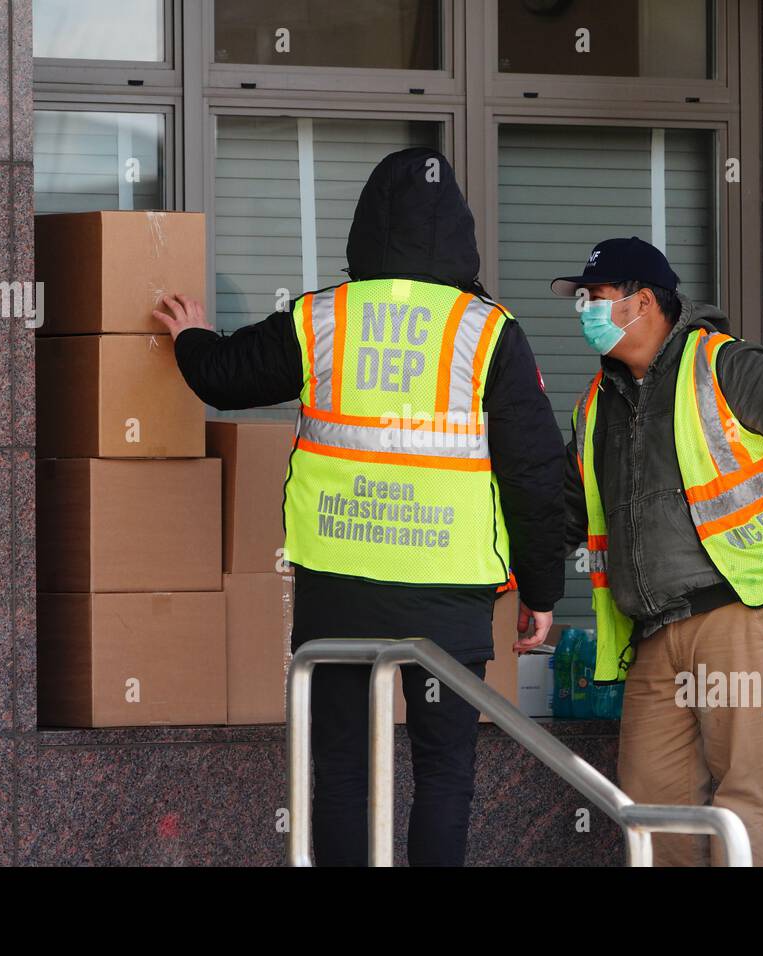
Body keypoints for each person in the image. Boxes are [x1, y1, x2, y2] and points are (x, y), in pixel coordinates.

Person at [152, 147, 567, 866]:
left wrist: (189, 334)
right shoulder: (488, 332)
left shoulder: (322, 318)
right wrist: (541, 591)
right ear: (459, 234)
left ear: (366, 226)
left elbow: (224, 378)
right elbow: (534, 474)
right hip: (446, 595)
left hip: (337, 592)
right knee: (444, 773)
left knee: (340, 771)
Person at [556, 237, 763, 866]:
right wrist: (516, 577)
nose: (583, 310)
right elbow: (565, 508)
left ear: (643, 303)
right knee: (651, 815)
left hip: (742, 612)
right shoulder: (598, 403)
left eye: (595, 298)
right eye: (580, 299)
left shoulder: (722, 365)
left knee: (742, 806)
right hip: (654, 632)